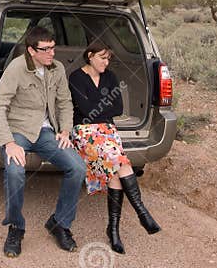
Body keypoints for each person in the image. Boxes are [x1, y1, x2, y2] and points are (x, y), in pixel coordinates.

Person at [0, 26, 87, 258]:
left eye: (53, 47)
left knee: (77, 168)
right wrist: (9, 143)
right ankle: (16, 227)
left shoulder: (57, 68)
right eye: (46, 49)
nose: (52, 53)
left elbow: (65, 102)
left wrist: (65, 130)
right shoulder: (17, 68)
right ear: (32, 51)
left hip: (46, 133)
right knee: (14, 172)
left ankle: (60, 223)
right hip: (18, 131)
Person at [68, 40, 161, 254]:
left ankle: (114, 229)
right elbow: (86, 110)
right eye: (102, 58)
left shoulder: (110, 77)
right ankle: (141, 212)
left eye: (108, 58)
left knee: (116, 172)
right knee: (120, 162)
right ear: (90, 56)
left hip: (108, 132)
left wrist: (98, 109)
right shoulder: (76, 77)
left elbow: (118, 108)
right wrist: (102, 109)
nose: (106, 62)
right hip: (84, 131)